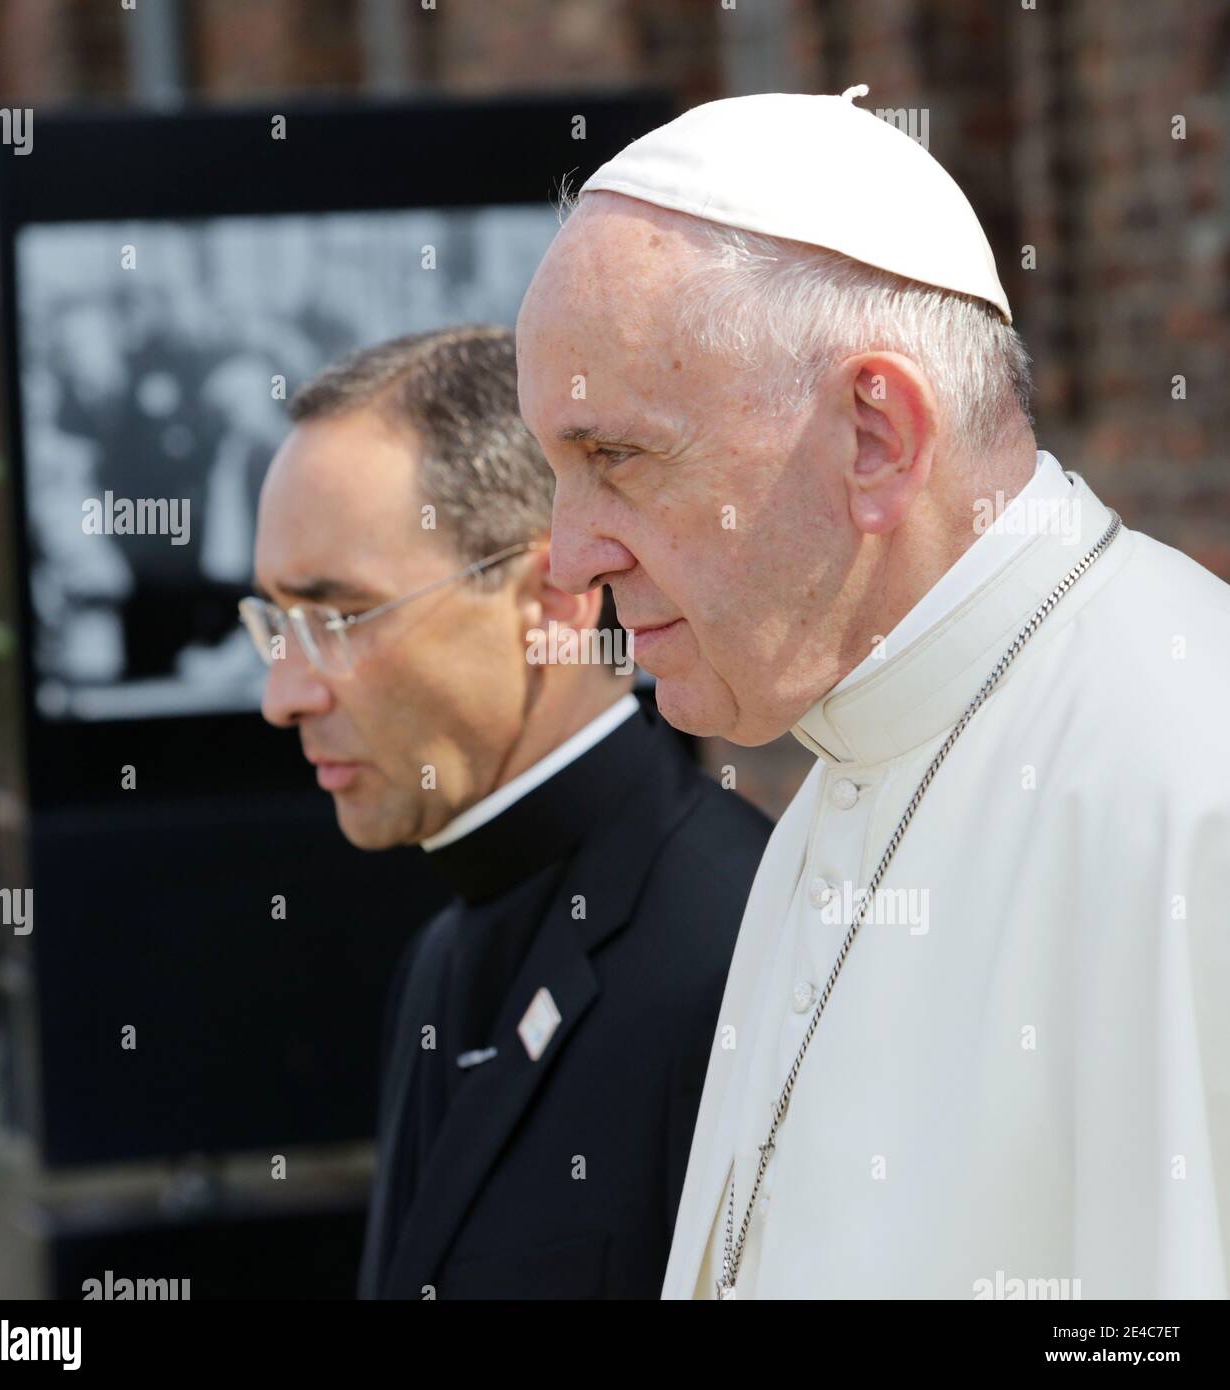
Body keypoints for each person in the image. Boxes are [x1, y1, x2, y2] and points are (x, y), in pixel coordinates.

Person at [515, 89, 1230, 1299]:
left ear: (874, 436)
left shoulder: (1181, 782)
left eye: (615, 458)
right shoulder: (848, 771)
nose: (569, 554)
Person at [243, 325, 772, 1298]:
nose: (283, 694)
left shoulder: (747, 955)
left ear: (553, 603)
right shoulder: (441, 956)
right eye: (275, 621)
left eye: (340, 619)